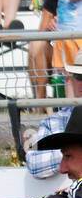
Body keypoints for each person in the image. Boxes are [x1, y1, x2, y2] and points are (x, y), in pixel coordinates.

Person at [27, 49, 82, 179]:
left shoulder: (55, 122)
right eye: (79, 77)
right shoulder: (54, 121)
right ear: (71, 80)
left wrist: (64, 147)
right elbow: (35, 164)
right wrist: (74, 148)